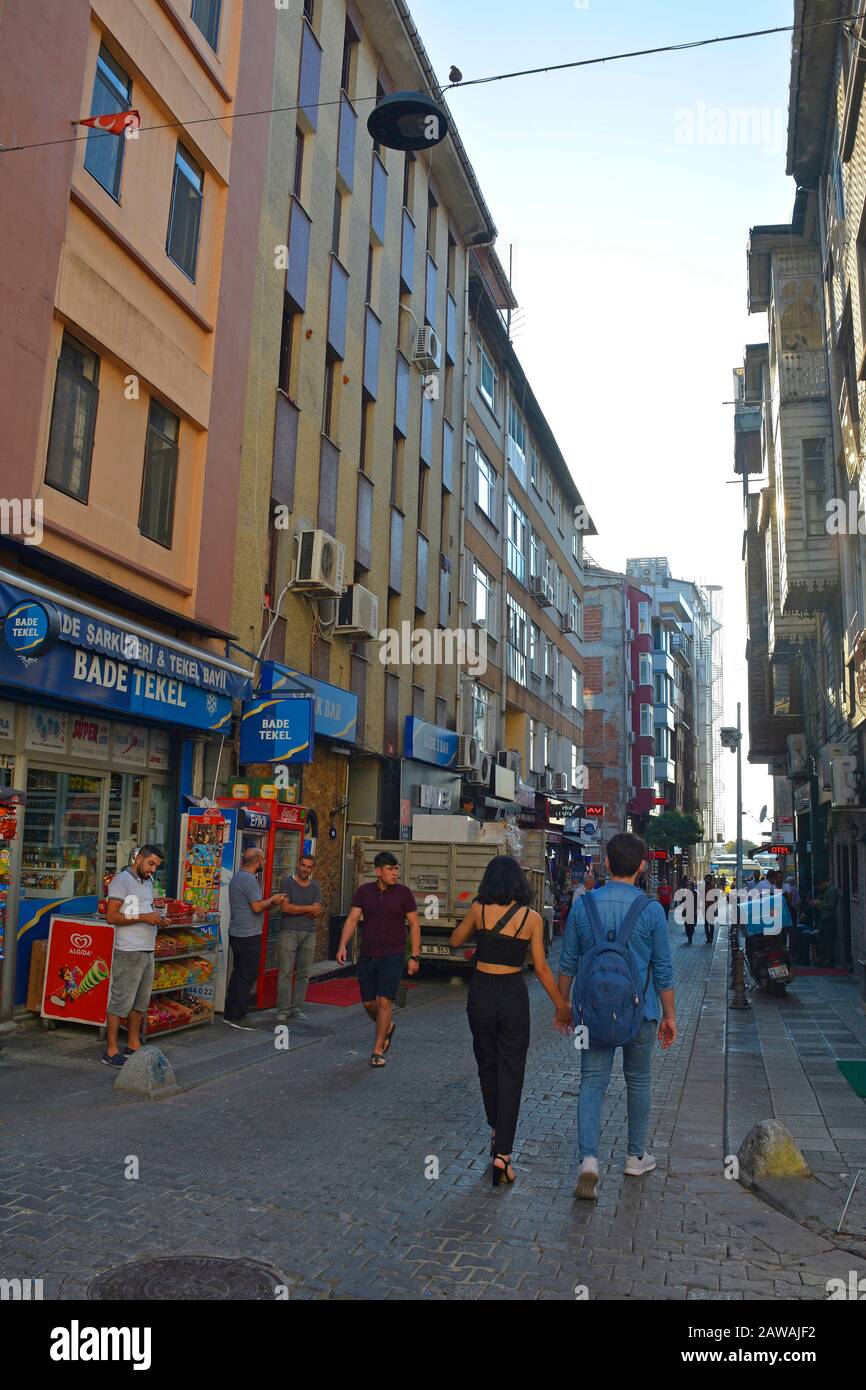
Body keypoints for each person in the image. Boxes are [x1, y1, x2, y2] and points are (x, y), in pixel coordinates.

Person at [558, 832, 676, 1200]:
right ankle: (634, 1155)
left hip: (591, 1012)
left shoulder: (583, 905)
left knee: (592, 1081)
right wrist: (669, 1016)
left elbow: (568, 962)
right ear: (642, 866)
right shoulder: (652, 910)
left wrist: (563, 1005)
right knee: (638, 1079)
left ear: (606, 863)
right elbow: (664, 970)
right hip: (642, 1013)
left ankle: (589, 1159)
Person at [451, 856, 571, 1187]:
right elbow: (542, 969)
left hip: (482, 994)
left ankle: (495, 1126)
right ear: (519, 882)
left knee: (487, 1066)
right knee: (512, 1072)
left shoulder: (479, 910)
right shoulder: (532, 919)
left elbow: (455, 940)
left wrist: (476, 927)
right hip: (513, 996)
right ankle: (502, 1153)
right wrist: (561, 1005)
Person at [337, 851, 421, 1066]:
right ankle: (388, 1027)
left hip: (393, 955)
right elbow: (353, 919)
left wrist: (415, 956)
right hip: (368, 955)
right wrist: (342, 945)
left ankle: (377, 1050)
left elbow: (414, 925)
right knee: (369, 1004)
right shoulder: (364, 892)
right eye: (390, 869)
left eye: (396, 869)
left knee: (385, 1001)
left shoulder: (404, 893)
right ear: (378, 871)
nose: (394, 873)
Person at [102, 845, 165, 1066]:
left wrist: (157, 918)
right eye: (150, 864)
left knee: (140, 1002)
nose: (153, 869)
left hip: (147, 950)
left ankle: (133, 1044)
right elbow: (112, 916)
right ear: (138, 859)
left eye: (156, 866)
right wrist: (144, 917)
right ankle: (110, 1050)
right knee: (120, 1001)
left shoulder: (147, 882)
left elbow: (142, 909)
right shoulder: (122, 880)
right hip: (128, 950)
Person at [224, 848, 285, 1030]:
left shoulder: (237, 877)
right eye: (264, 860)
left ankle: (230, 1012)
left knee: (238, 973)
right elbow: (257, 907)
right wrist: (273, 899)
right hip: (248, 934)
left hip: (237, 932)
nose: (265, 863)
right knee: (247, 975)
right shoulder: (249, 880)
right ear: (257, 861)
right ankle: (239, 1016)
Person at [276, 853, 323, 1023]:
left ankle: (296, 1007)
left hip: (309, 933)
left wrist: (305, 909)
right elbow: (286, 908)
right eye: (303, 865)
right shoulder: (287, 882)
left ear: (313, 869)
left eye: (309, 867)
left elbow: (317, 911)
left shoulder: (316, 887)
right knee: (286, 971)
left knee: (304, 973)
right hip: (289, 931)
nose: (305, 869)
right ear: (298, 864)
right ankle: (283, 1009)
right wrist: (308, 908)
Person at [809, 877, 840, 967]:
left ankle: (830, 962)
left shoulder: (832, 890)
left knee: (828, 940)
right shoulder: (828, 890)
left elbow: (831, 906)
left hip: (828, 918)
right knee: (823, 939)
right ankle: (825, 960)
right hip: (825, 918)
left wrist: (819, 903)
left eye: (819, 886)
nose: (819, 888)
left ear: (822, 883)